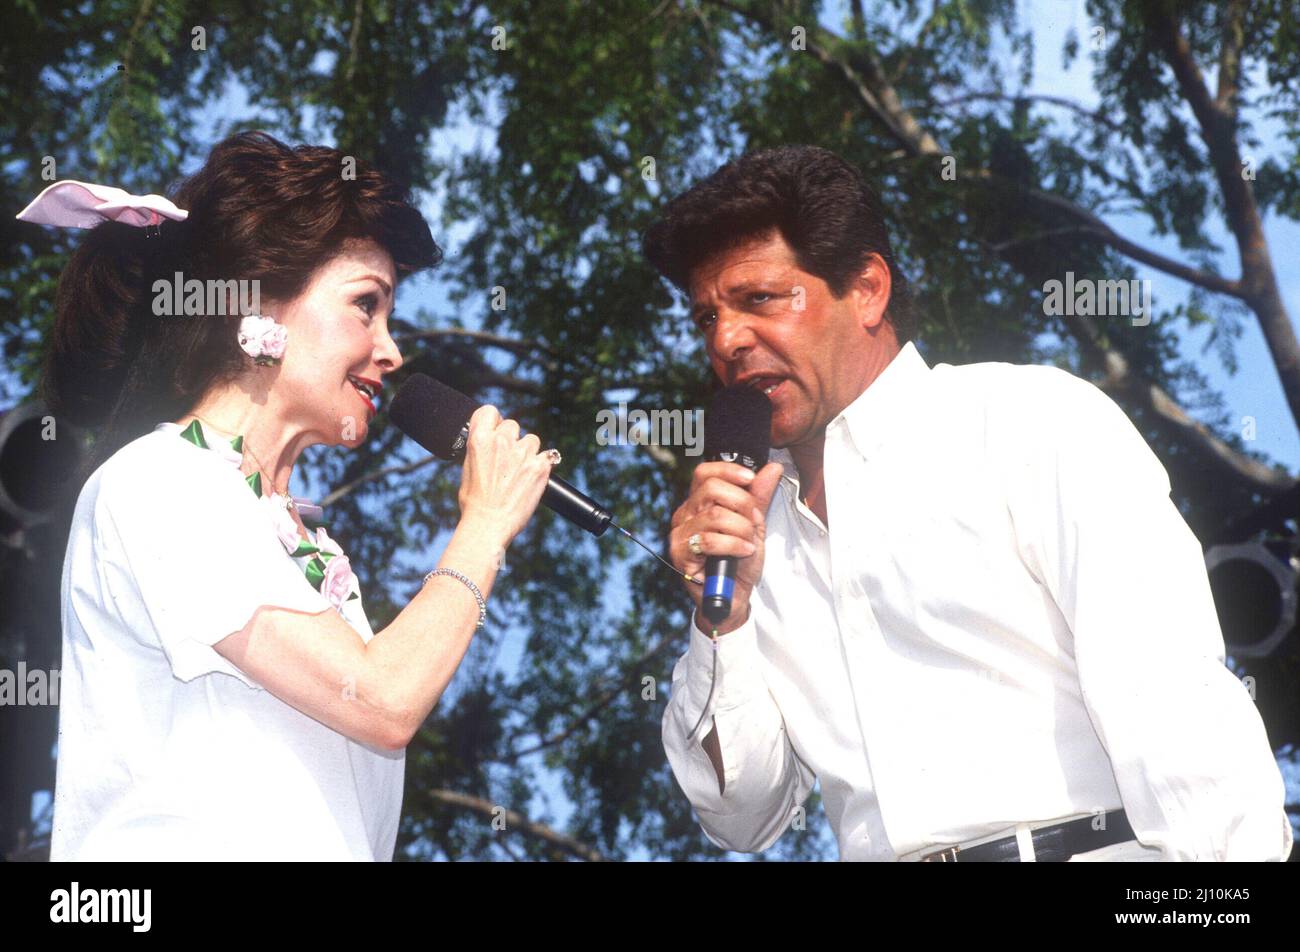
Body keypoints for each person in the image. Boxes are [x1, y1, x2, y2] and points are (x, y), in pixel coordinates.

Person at [645, 144, 1293, 861]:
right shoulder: (749, 536)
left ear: (866, 290)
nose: (728, 340)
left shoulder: (1024, 421)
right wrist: (721, 625)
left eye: (759, 299)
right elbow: (741, 817)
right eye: (706, 319)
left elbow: (1175, 713)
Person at [24, 131, 554, 861]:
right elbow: (383, 698)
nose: (392, 350)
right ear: (262, 306)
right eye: (366, 305)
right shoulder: (159, 481)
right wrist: (486, 527)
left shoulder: (301, 542)